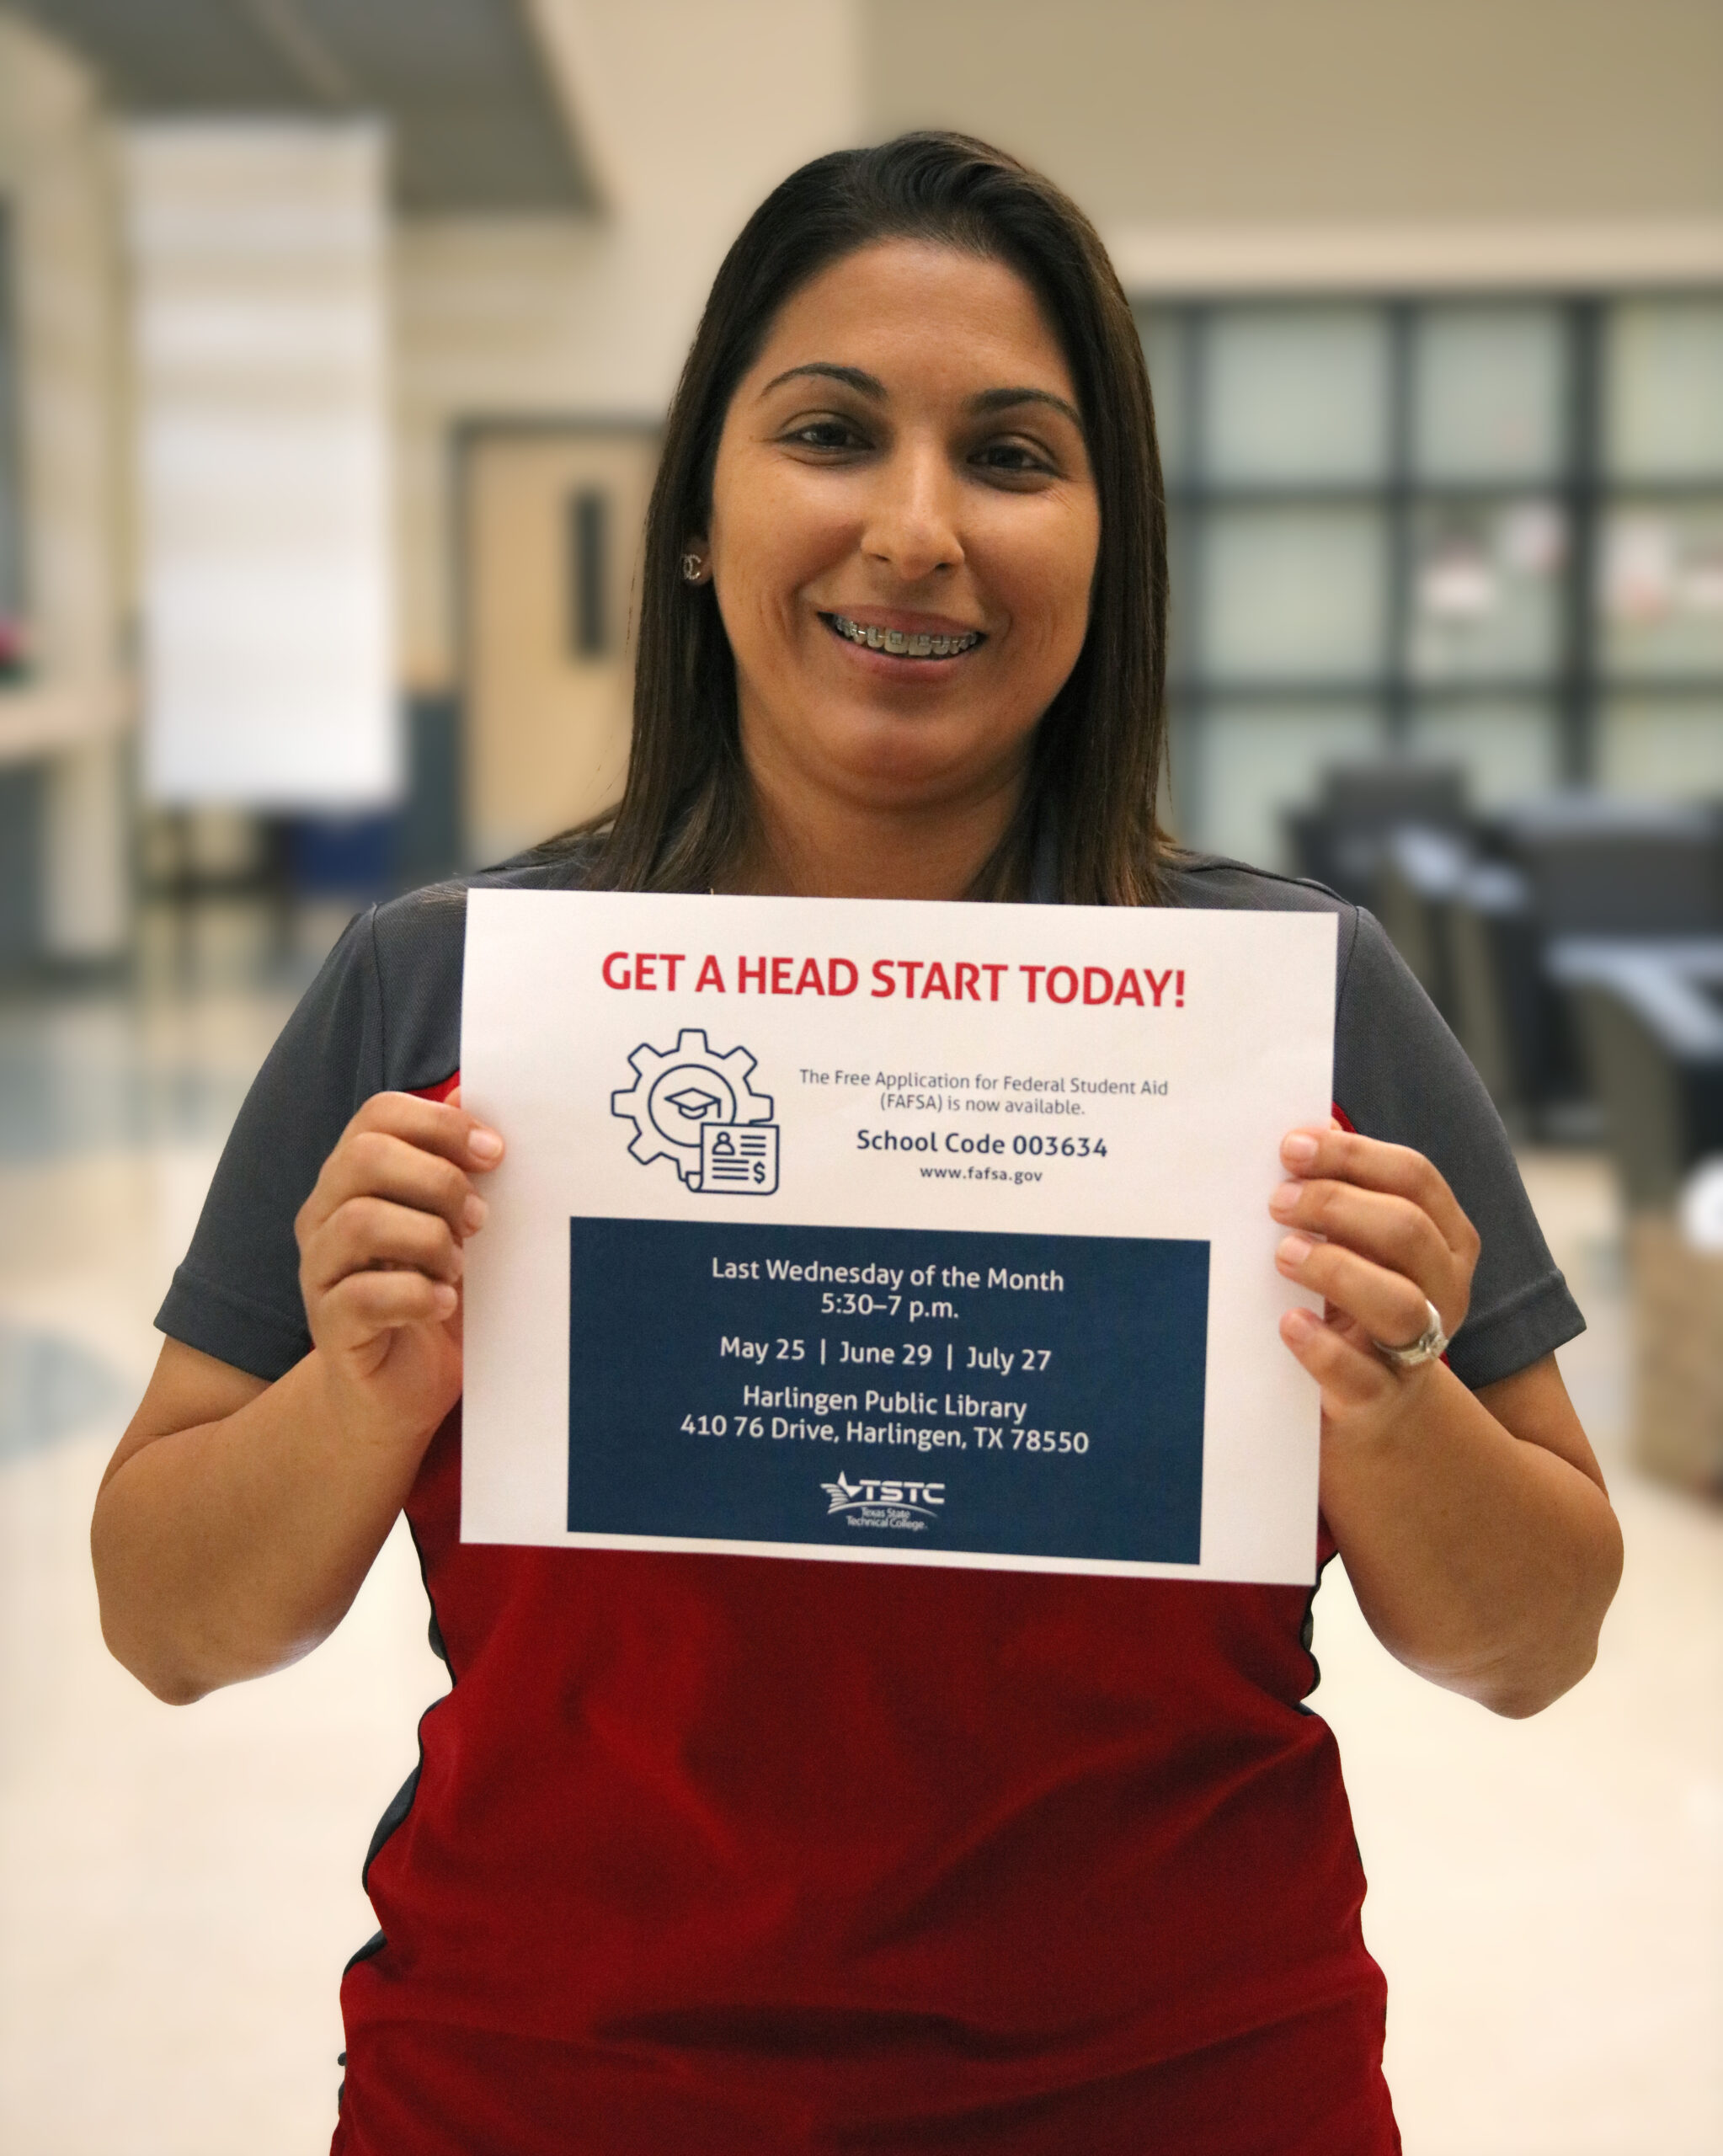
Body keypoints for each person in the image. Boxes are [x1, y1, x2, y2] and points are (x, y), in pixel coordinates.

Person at [93, 134, 1623, 2153]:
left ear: (1109, 543)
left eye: (1012, 457)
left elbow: (1536, 1639)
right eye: (829, 433)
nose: (915, 529)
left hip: (1178, 2093)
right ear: (698, 518)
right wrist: (361, 1391)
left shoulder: (1297, 1011)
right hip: (548, 2087)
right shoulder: (444, 991)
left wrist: (1395, 1390)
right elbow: (168, 1619)